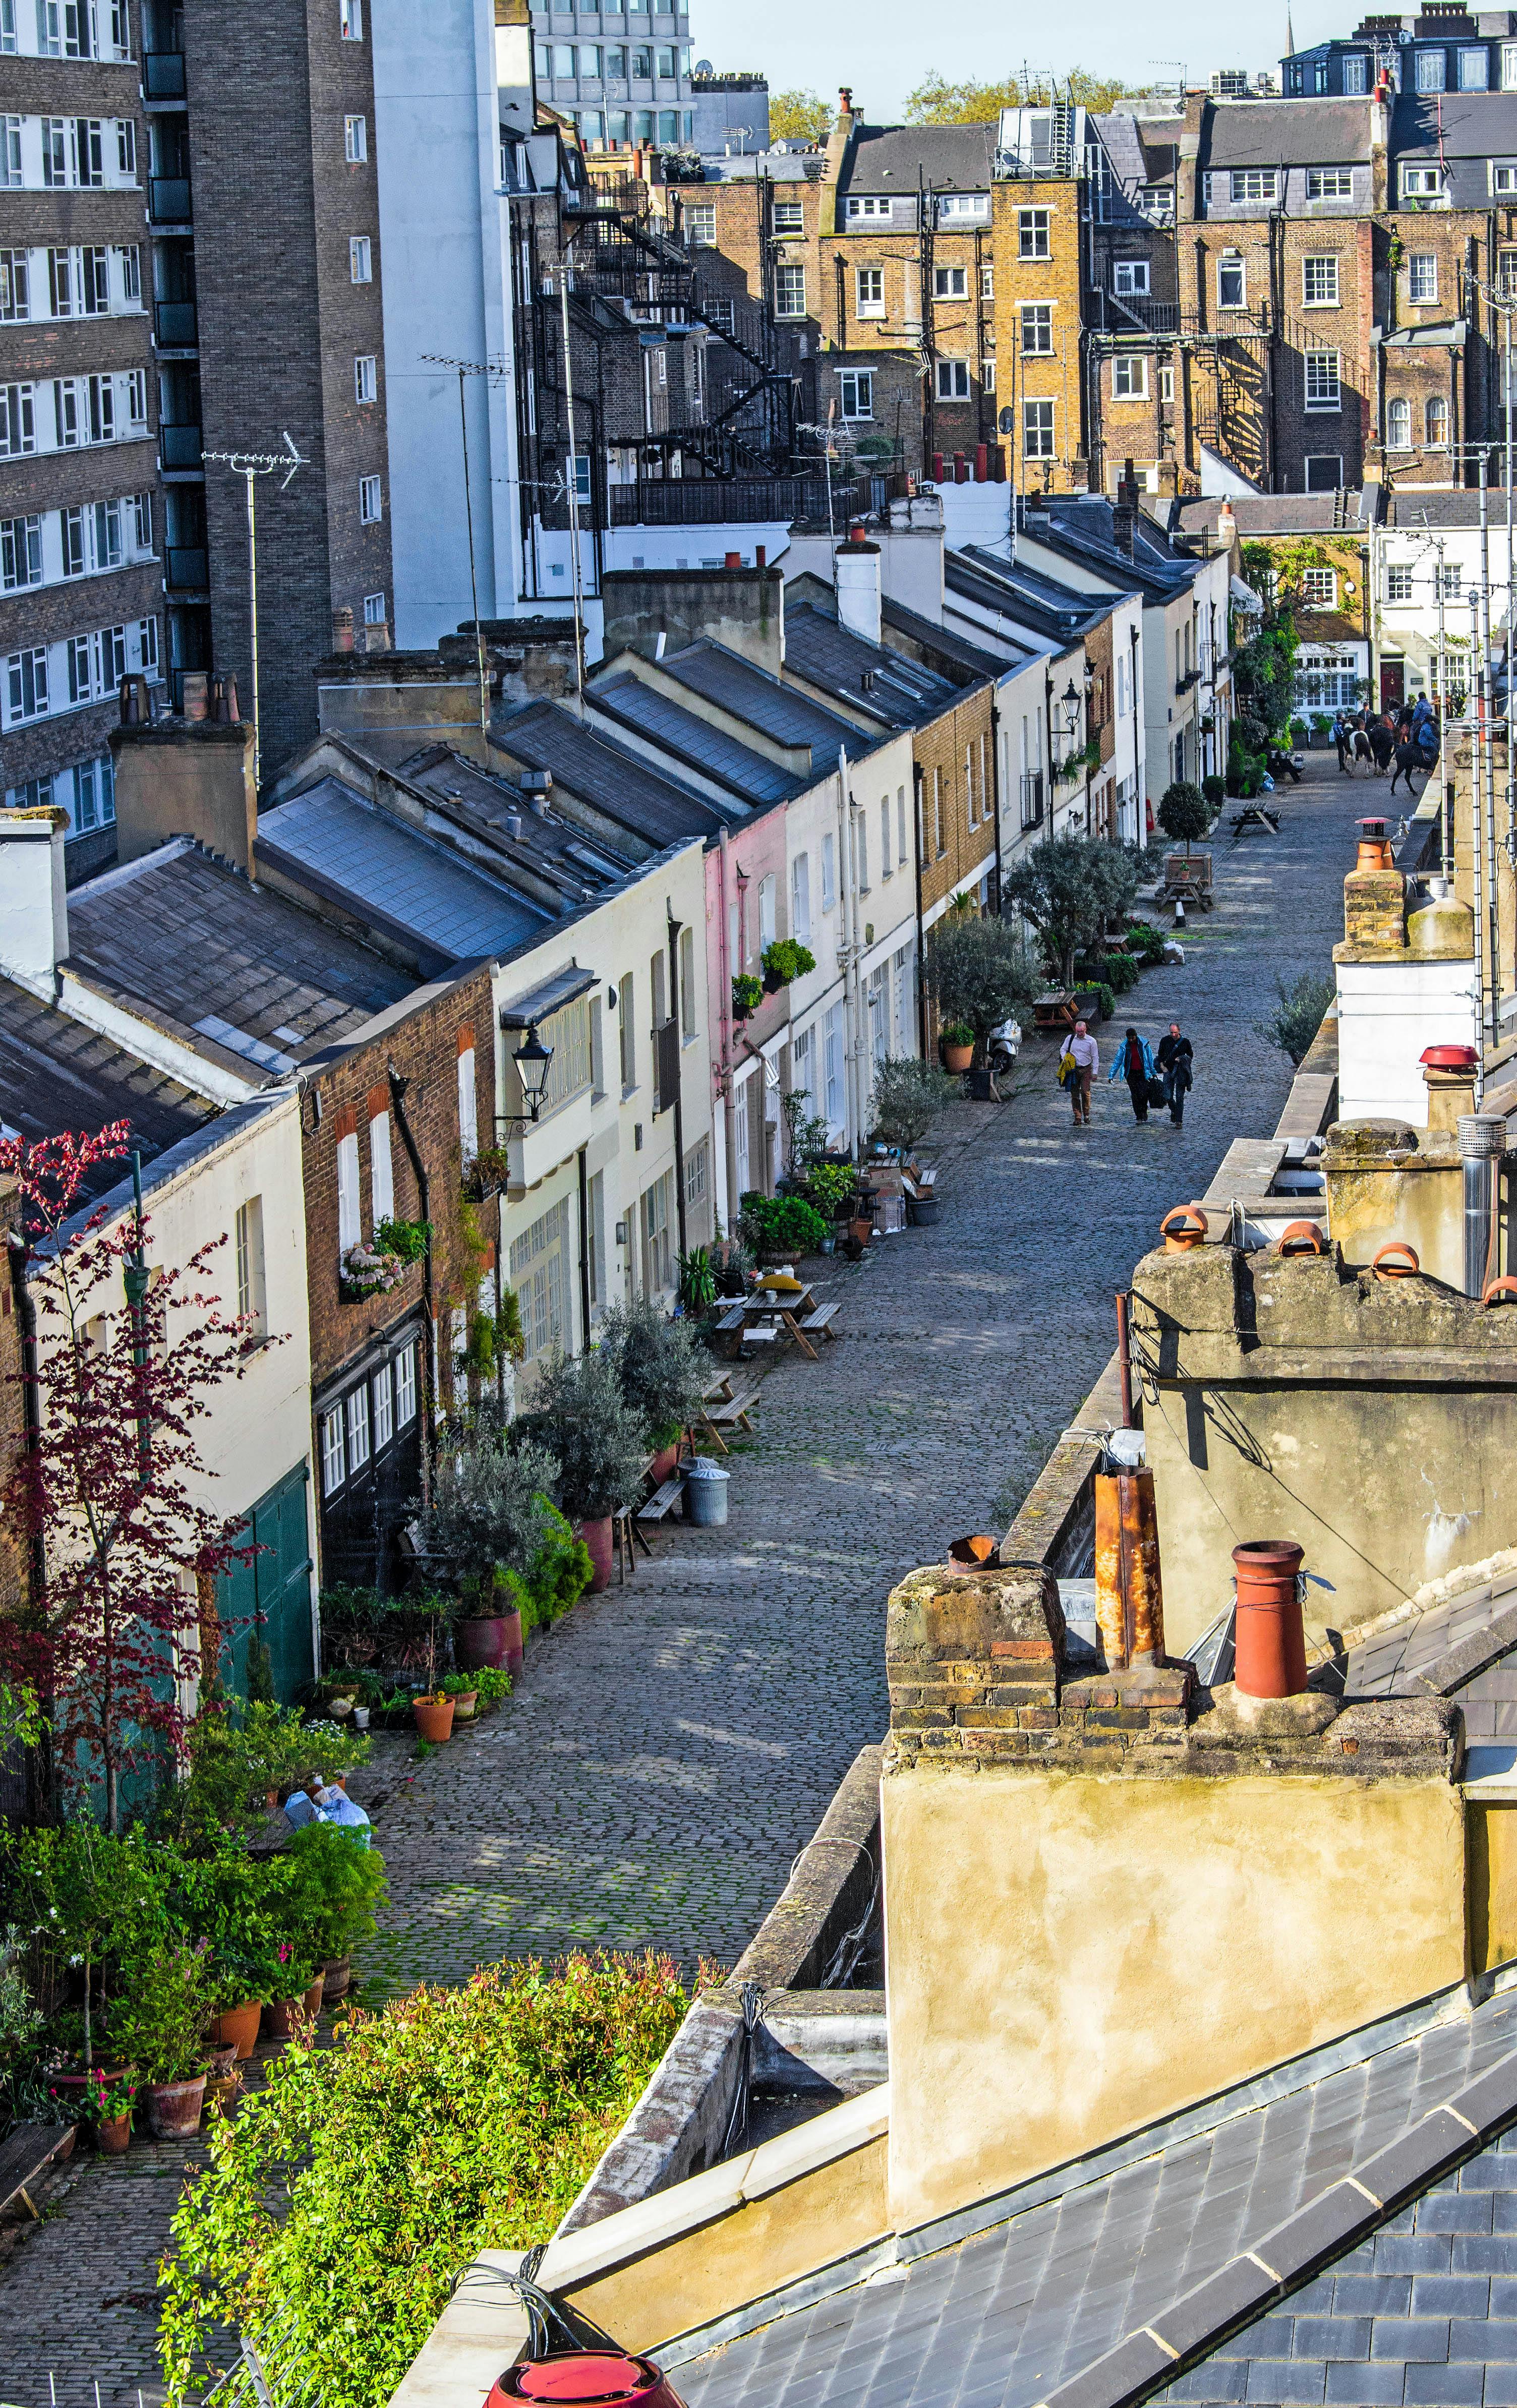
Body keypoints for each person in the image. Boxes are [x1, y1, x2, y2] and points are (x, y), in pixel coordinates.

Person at [1110, 1026, 1157, 1122]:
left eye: (1133, 1038)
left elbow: (1150, 1058)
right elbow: (1118, 1061)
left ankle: (1144, 1110)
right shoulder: (1124, 1047)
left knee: (1143, 1094)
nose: (1131, 1040)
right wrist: (1111, 1075)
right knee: (1135, 1095)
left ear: (1136, 1036)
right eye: (1129, 1038)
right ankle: (1139, 1115)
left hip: (1143, 1073)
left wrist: (1154, 1072)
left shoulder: (1144, 1044)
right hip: (1131, 1074)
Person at [1060, 1017, 1099, 1125]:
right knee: (1075, 1093)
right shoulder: (1070, 1039)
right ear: (1075, 1030)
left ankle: (1086, 1113)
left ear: (1086, 1030)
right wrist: (1066, 1059)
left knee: (1086, 1092)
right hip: (1073, 1070)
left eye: (1082, 1031)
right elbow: (1063, 1049)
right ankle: (1078, 1116)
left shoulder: (1092, 1042)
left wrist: (1095, 1073)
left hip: (1086, 1068)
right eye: (1078, 1032)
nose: (1080, 1033)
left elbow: (1095, 1057)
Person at [1156, 1021, 1194, 1128]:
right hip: (1168, 1071)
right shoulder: (1165, 1041)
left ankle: (1179, 1121)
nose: (1173, 1035)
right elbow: (1160, 1055)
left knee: (1179, 1097)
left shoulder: (1185, 1042)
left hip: (1180, 1072)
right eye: (1172, 1032)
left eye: (1175, 1032)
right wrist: (1163, 1067)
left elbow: (1190, 1056)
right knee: (1167, 1096)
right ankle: (1175, 1111)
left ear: (1179, 1031)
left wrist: (1182, 1059)